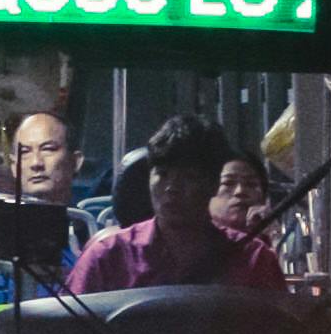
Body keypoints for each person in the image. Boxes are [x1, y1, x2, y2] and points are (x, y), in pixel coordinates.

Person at [70, 116, 290, 298]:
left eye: (188, 177)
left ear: (213, 184)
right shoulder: (108, 257)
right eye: (162, 174)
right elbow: (66, 329)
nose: (171, 188)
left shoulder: (253, 259)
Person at [0, 103, 79, 289]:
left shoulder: (92, 241)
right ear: (14, 166)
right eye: (25, 152)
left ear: (75, 161)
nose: (36, 163)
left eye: (48, 149)